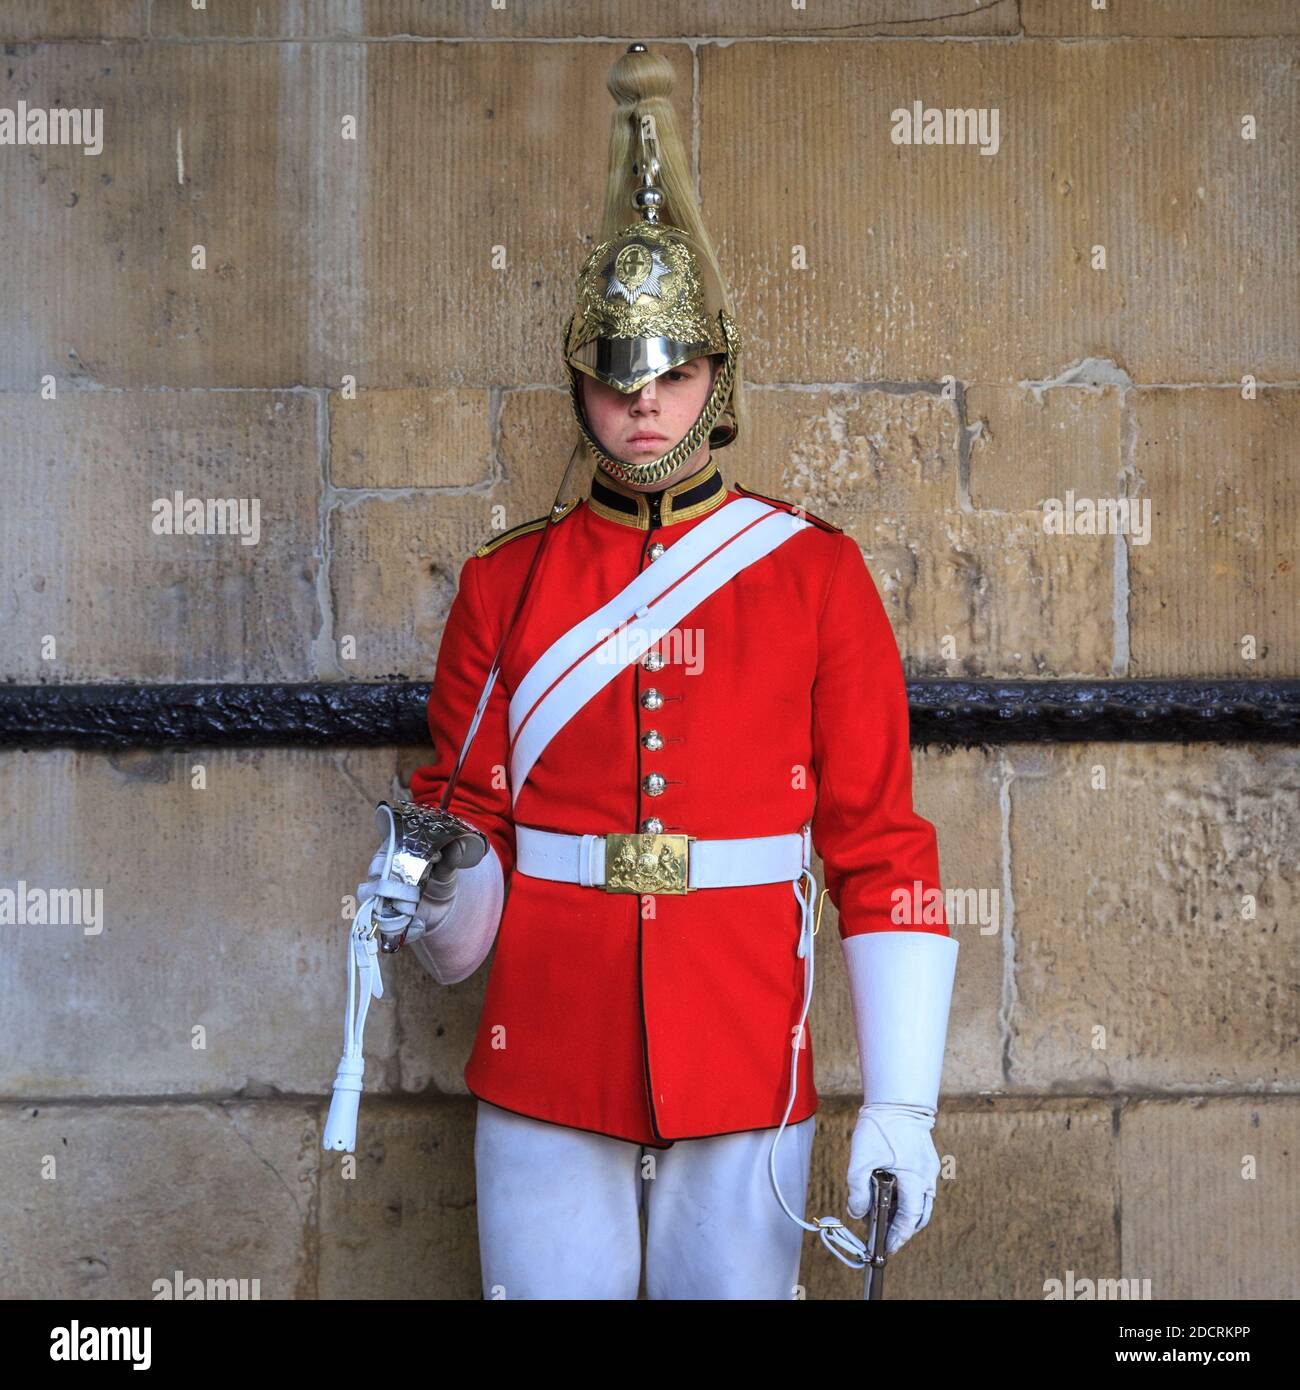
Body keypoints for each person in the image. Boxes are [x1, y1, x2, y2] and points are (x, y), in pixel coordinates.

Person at [357, 43, 959, 1300]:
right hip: (547, 1047)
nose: (644, 407)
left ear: (714, 378)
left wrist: (902, 1101)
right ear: (577, 382)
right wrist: (432, 888)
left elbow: (879, 848)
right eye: (616, 375)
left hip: (742, 1042)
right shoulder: (504, 584)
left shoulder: (812, 575)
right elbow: (471, 837)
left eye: (673, 373)